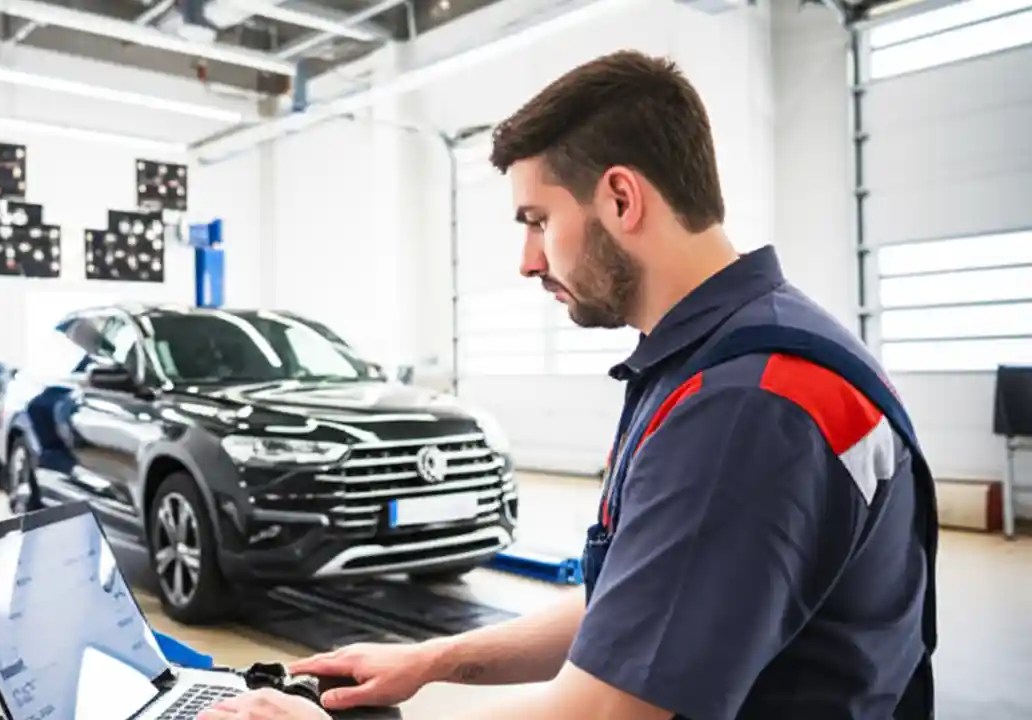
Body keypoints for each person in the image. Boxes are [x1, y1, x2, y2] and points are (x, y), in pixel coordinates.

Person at [198, 49, 935, 720]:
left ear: (620, 198)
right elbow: (647, 610)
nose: (526, 259)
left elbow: (609, 712)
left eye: (537, 220)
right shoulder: (750, 348)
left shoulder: (746, 403)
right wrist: (431, 661)